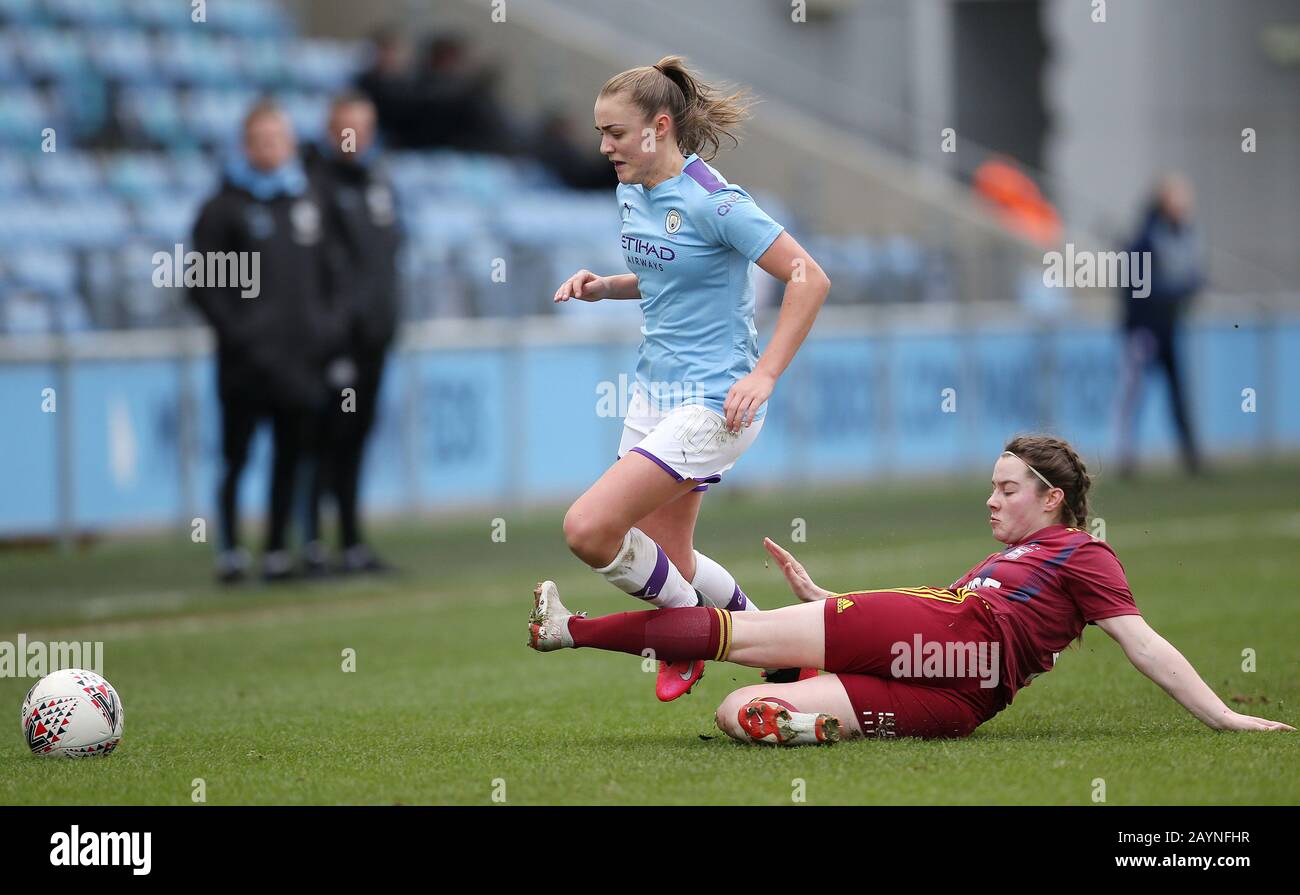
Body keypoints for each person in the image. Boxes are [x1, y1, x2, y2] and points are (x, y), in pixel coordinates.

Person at [527, 434, 1294, 745]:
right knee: (737, 715)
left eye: (1006, 488)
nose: (991, 501)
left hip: (956, 635)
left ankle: (572, 630)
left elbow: (1142, 639)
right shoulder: (1009, 566)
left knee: (746, 641)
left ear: (1053, 497)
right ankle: (800, 722)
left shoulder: (1077, 553)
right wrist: (827, 594)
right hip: (967, 698)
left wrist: (1224, 716)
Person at [551, 56, 831, 702]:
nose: (604, 146)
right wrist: (606, 288)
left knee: (588, 529)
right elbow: (667, 276)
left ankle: (687, 634)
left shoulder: (715, 200)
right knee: (672, 560)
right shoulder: (632, 189)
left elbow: (809, 276)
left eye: (615, 132)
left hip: (715, 401)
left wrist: (764, 374)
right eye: (600, 132)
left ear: (659, 126)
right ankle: (783, 654)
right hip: (654, 392)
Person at [188, 100, 346, 583]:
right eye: (261, 139)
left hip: (301, 360)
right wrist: (241, 336)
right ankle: (231, 549)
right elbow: (203, 285)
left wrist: (326, 331)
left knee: (292, 455)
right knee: (236, 456)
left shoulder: (310, 201)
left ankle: (279, 547)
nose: (271, 147)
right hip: (245, 363)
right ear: (246, 145)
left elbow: (335, 277)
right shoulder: (222, 208)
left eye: (278, 138)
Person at [301, 92, 402, 575]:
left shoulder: (377, 183)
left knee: (357, 440)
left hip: (374, 341)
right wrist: (329, 332)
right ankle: (312, 543)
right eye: (348, 128)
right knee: (324, 439)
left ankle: (350, 542)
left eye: (364, 127)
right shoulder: (314, 187)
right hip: (332, 344)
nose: (356, 137)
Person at [1116, 173, 1205, 477]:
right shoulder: (1146, 238)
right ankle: (1127, 461)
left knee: (1177, 394)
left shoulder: (1181, 235)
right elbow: (1139, 289)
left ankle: (1191, 457)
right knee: (1135, 396)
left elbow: (1192, 277)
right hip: (1145, 330)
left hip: (1168, 328)